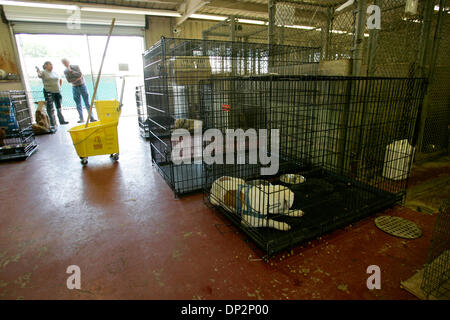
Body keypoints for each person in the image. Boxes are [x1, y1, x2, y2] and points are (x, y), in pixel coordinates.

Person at [61, 58, 96, 123]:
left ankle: (92, 117)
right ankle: (81, 118)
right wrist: (76, 78)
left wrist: (71, 71)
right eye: (63, 63)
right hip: (74, 87)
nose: (65, 64)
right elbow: (69, 80)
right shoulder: (65, 71)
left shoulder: (76, 67)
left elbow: (79, 75)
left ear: (68, 61)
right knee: (78, 104)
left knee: (87, 103)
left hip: (82, 85)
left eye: (66, 62)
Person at [36, 61, 69, 126]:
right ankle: (53, 123)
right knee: (50, 108)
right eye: (49, 64)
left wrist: (59, 87)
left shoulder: (54, 72)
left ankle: (61, 121)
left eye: (52, 64)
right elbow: (39, 75)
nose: (51, 66)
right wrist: (38, 71)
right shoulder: (44, 72)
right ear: (45, 66)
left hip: (57, 91)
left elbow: (59, 80)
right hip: (49, 92)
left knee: (59, 107)